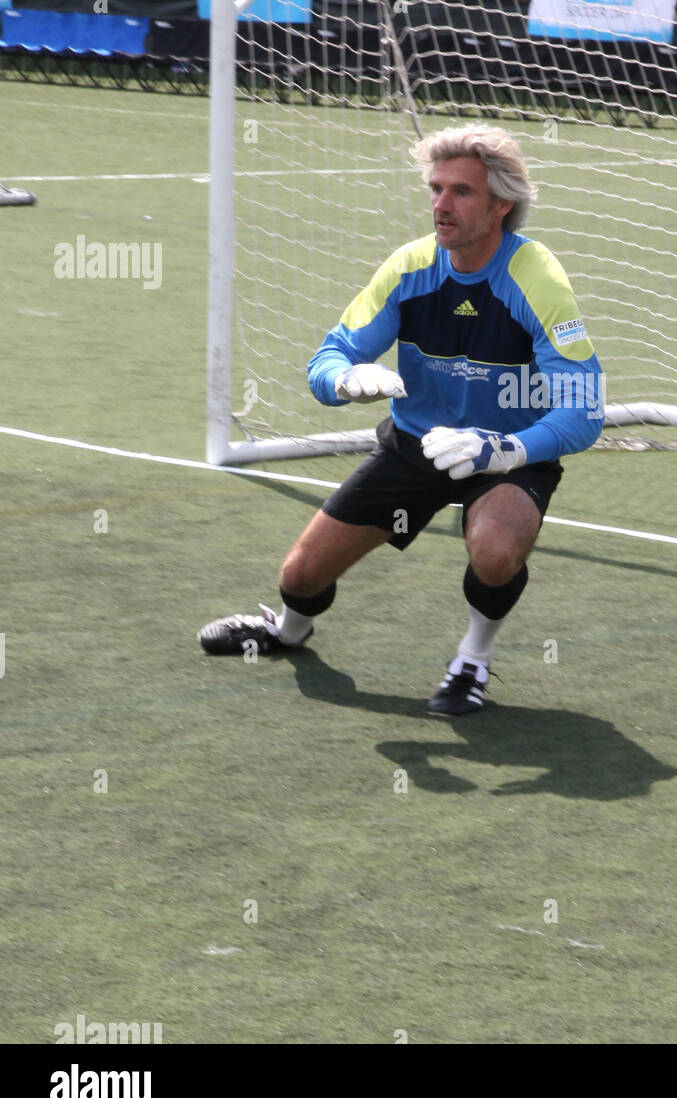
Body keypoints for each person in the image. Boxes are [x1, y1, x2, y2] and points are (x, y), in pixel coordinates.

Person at [198, 126, 605, 717]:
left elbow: (583, 412)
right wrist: (344, 380)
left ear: (501, 205)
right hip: (414, 448)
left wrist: (504, 451)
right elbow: (327, 357)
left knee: (494, 551)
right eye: (436, 189)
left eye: (461, 192)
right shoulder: (410, 267)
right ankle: (287, 631)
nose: (441, 205)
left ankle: (473, 658)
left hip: (509, 453)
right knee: (301, 576)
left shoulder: (537, 279)